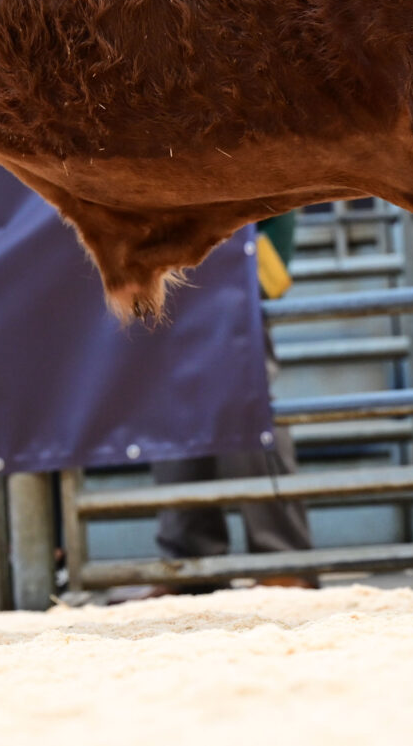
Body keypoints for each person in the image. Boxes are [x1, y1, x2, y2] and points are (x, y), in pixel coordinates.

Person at [144, 212, 316, 591]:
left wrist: (255, 276)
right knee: (170, 401)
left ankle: (282, 560)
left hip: (232, 271)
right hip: (166, 274)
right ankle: (188, 564)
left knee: (250, 399)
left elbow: (280, 204)